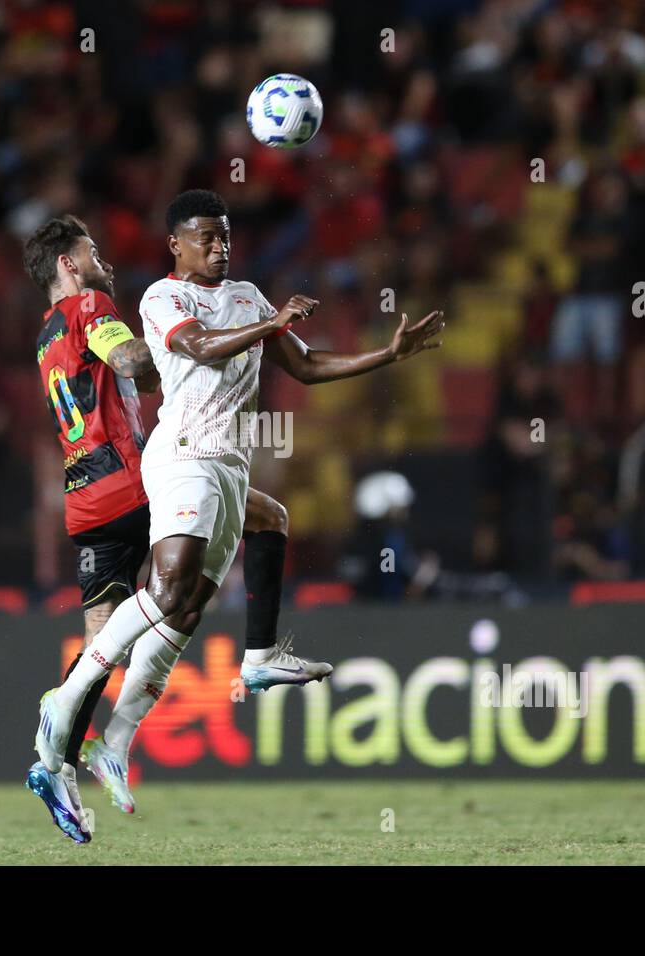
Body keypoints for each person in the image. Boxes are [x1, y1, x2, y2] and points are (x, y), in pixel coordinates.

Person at [33, 190, 443, 834]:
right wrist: (271, 324)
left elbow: (304, 367)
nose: (220, 248)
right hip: (180, 452)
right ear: (176, 244)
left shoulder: (249, 297)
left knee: (195, 597)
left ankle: (121, 737)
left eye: (225, 237)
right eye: (206, 237)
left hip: (226, 463)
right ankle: (63, 708)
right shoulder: (160, 298)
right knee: (168, 587)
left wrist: (387, 355)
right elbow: (196, 347)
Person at [20, 214, 329, 843]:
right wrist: (175, 353)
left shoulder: (44, 332)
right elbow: (131, 359)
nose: (102, 258)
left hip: (82, 497)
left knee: (105, 638)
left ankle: (56, 765)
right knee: (193, 583)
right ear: (67, 265)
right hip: (130, 480)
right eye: (92, 249)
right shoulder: (89, 304)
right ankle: (125, 724)